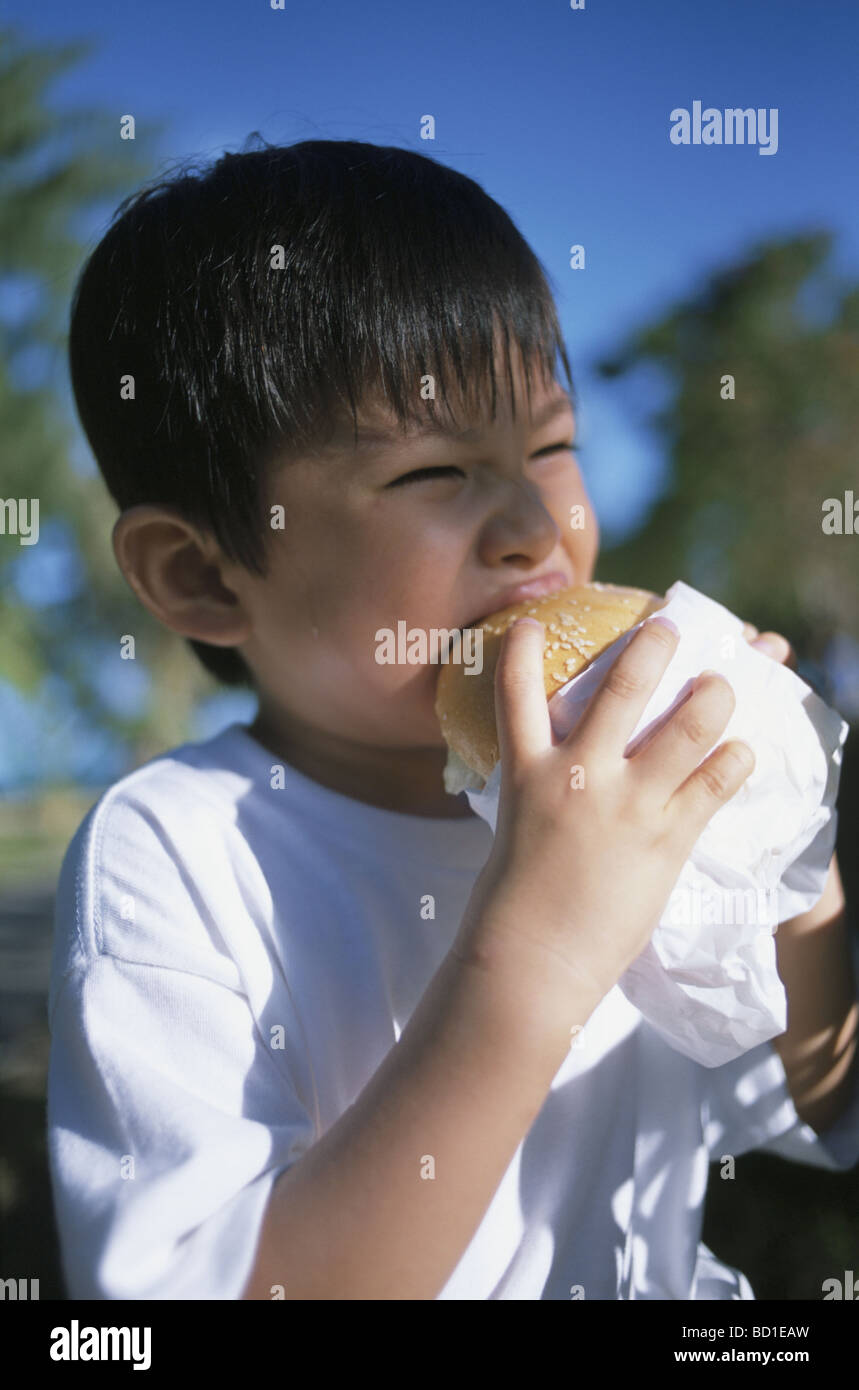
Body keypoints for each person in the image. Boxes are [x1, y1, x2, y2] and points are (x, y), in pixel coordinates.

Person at [48, 138, 859, 1300]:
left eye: (551, 445)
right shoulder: (176, 850)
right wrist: (539, 952)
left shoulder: (618, 788)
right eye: (435, 473)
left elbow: (818, 1099)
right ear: (204, 579)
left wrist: (785, 849)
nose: (536, 521)